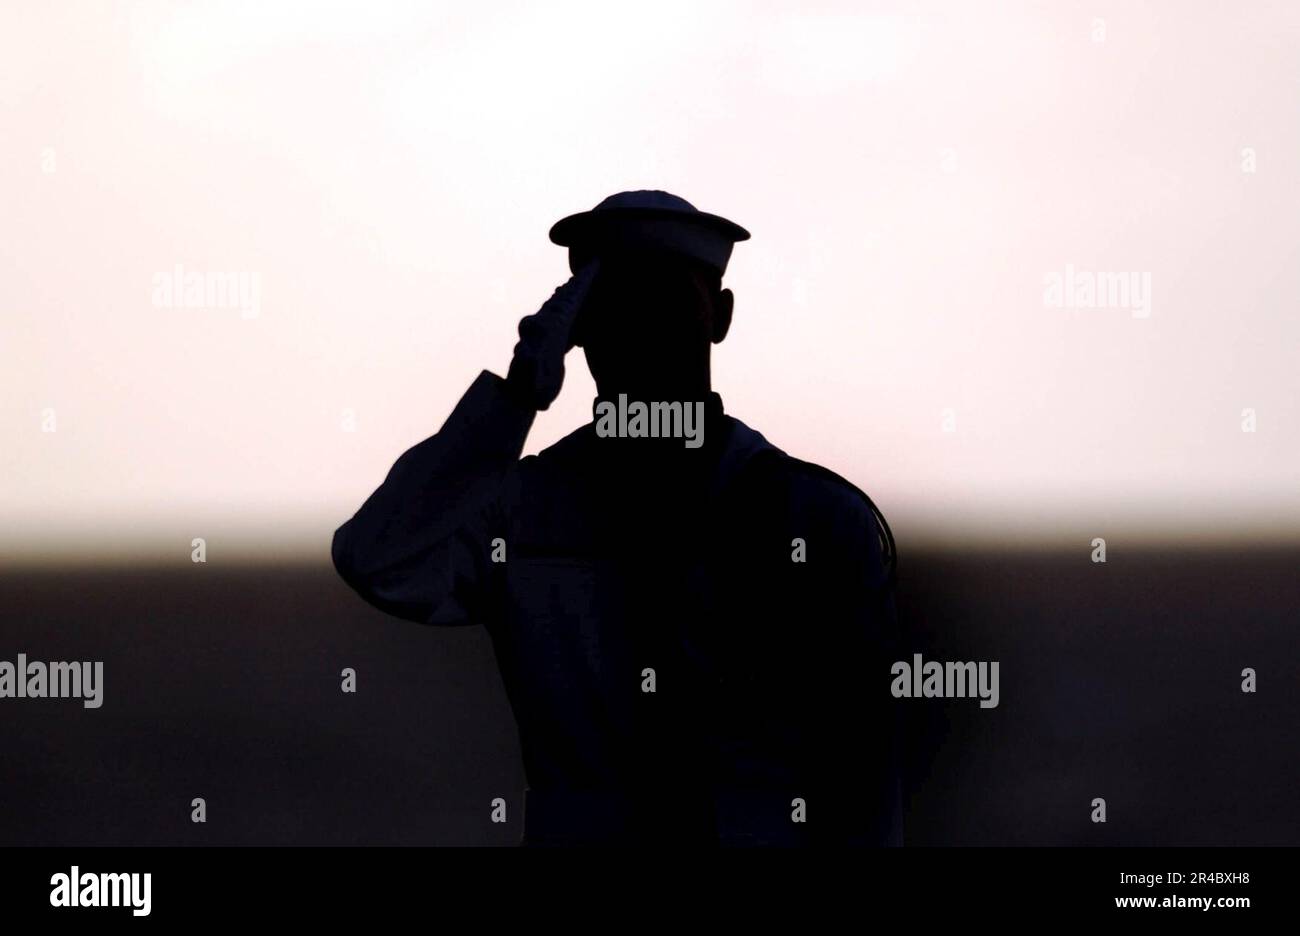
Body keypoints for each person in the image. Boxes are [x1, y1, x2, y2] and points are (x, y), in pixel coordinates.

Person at [332, 190, 903, 846]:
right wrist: (516, 398)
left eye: (668, 300)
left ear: (719, 316)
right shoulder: (524, 511)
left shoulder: (814, 517)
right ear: (580, 328)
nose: (644, 327)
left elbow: (865, 776)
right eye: (617, 305)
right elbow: (378, 558)